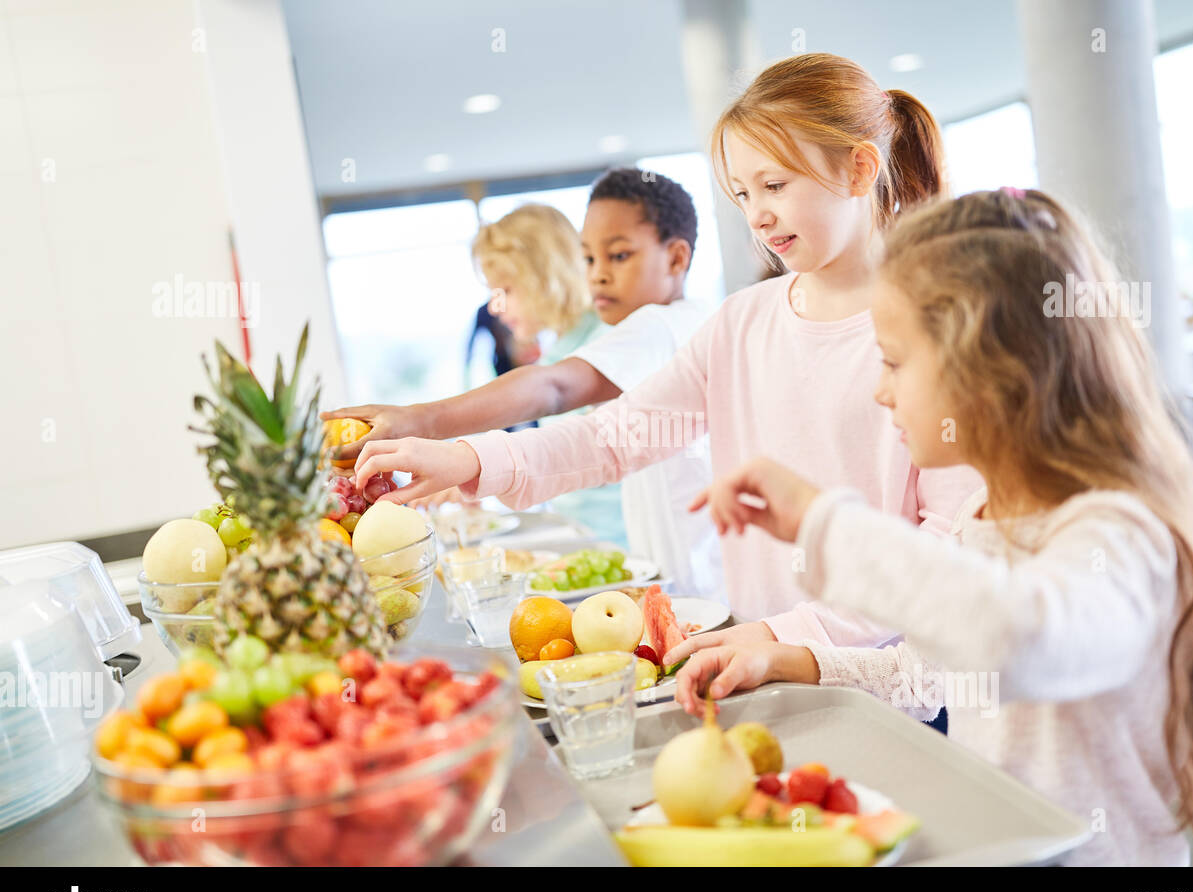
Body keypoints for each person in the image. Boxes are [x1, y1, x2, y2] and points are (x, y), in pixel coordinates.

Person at [676, 188, 1193, 866]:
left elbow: (1021, 639)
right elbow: (934, 677)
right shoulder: (984, 517)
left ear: (991, 369)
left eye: (894, 361)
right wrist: (785, 659)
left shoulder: (1119, 534)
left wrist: (824, 522)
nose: (881, 391)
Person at [349, 53, 982, 653]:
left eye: (774, 185)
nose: (757, 215)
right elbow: (611, 440)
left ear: (860, 169)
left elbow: (944, 551)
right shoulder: (741, 324)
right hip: (760, 666)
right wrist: (465, 458)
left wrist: (789, 638)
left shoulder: (940, 333)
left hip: (891, 686)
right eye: (741, 194)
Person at [327, 171, 723, 597]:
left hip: (679, 573)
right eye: (589, 259)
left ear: (677, 258)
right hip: (669, 565)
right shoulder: (680, 323)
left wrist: (419, 422)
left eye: (620, 256)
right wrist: (468, 466)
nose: (598, 276)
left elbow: (554, 389)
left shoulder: (657, 328)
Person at [328, 202, 626, 544]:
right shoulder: (559, 350)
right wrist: (467, 474)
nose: (496, 307)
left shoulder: (600, 348)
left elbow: (581, 454)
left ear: (548, 277)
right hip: (584, 537)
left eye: (506, 291)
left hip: (622, 543)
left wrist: (468, 467)